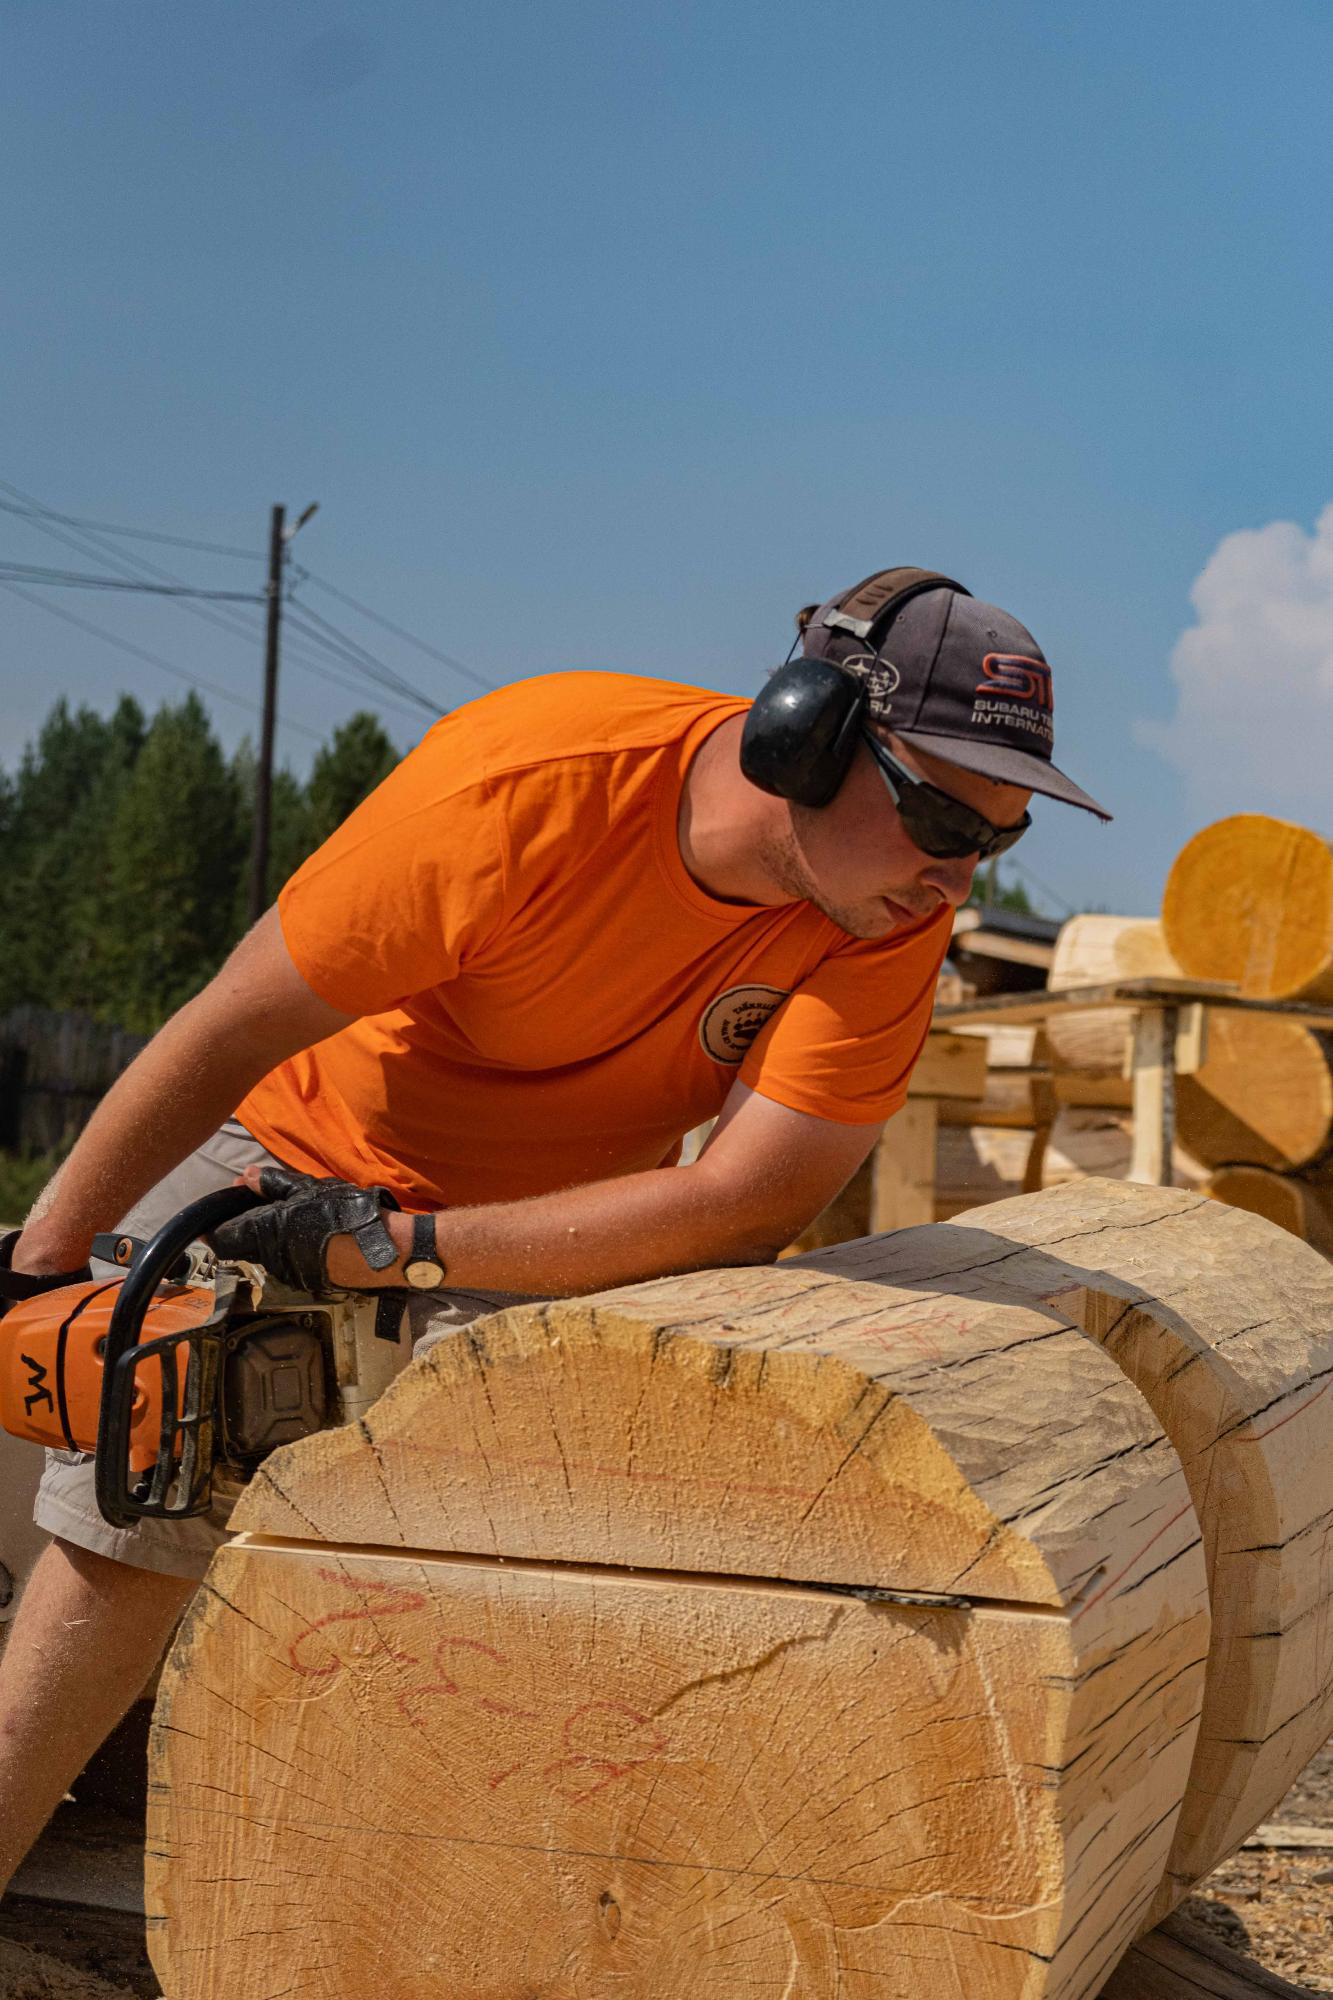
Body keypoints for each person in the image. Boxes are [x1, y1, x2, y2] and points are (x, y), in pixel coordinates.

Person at [0, 567, 1108, 1887]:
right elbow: (229, 1024)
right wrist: (43, 1266)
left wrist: (398, 1251)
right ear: (800, 735)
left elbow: (740, 1200)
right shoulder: (529, 789)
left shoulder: (883, 917)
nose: (955, 875)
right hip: (284, 1155)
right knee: (146, 1503)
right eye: (934, 813)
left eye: (994, 839)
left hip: (530, 1225)